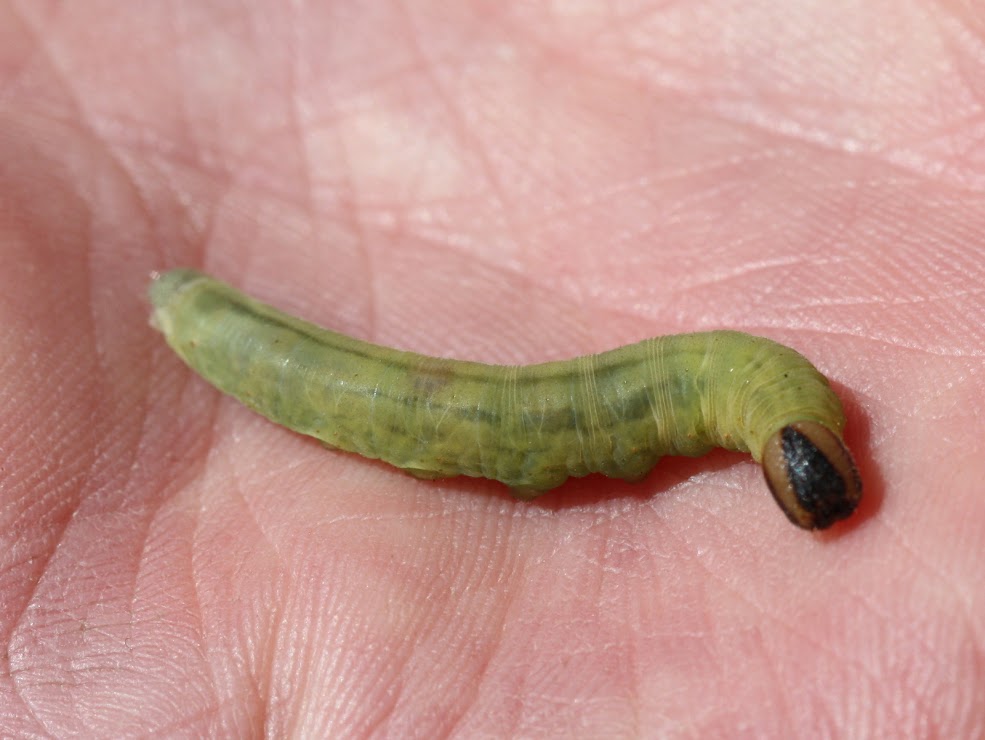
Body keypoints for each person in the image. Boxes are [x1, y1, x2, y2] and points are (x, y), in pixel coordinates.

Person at [1, 2, 982, 735]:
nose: (815, 480)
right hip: (248, 344)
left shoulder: (738, 379)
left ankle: (191, 312)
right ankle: (194, 315)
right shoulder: (735, 378)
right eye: (807, 458)